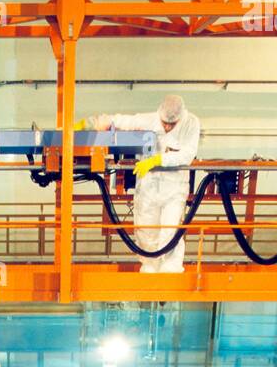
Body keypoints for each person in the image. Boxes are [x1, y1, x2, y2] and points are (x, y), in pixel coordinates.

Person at [81, 94, 200, 273]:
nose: (167, 127)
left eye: (171, 124)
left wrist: (156, 160)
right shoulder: (150, 120)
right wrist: (94, 122)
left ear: (180, 118)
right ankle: (150, 265)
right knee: (146, 229)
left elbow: (188, 154)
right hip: (148, 188)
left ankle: (171, 268)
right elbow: (125, 121)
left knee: (171, 230)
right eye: (164, 123)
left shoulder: (191, 123)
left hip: (174, 189)